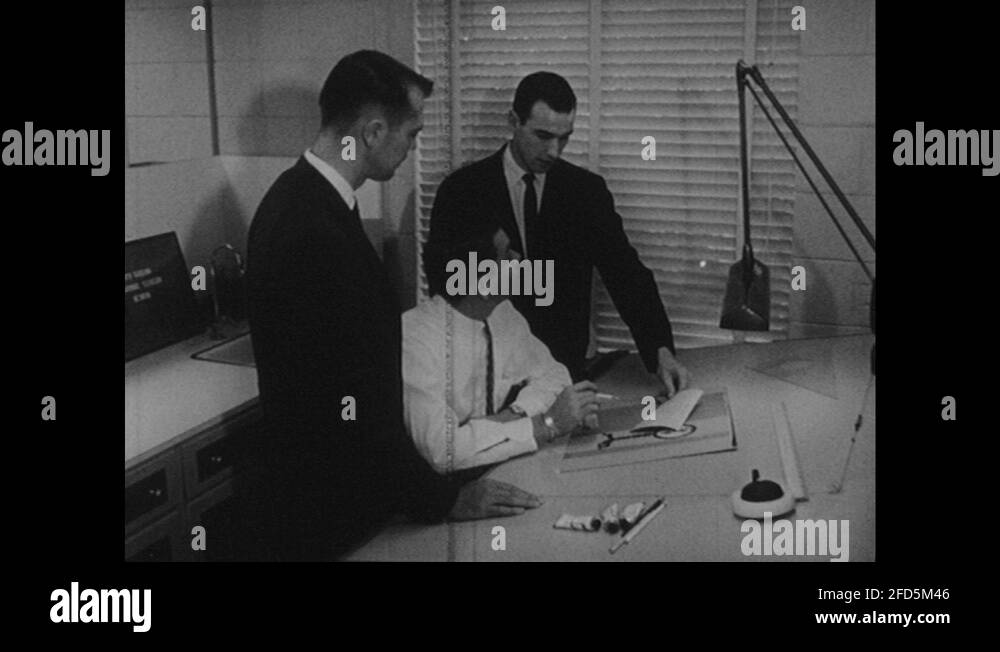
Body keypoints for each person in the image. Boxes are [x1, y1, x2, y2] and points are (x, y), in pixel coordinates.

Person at [243, 50, 540, 561]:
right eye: (412, 133)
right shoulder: (315, 231)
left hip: (334, 497)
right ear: (374, 131)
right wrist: (446, 498)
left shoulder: (299, 199)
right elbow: (356, 410)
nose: (411, 147)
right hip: (334, 518)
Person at [429, 71, 690, 395]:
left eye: (564, 138)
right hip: (486, 377)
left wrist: (660, 350)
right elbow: (445, 286)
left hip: (566, 373)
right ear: (513, 121)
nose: (554, 150)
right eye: (543, 135)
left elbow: (625, 273)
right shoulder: (461, 191)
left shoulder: (586, 192)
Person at [404, 220, 600, 473]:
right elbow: (443, 451)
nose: (518, 258)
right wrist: (546, 423)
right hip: (441, 491)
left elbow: (554, 375)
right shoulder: (413, 340)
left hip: (501, 463)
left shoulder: (502, 313)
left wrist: (514, 414)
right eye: (507, 254)